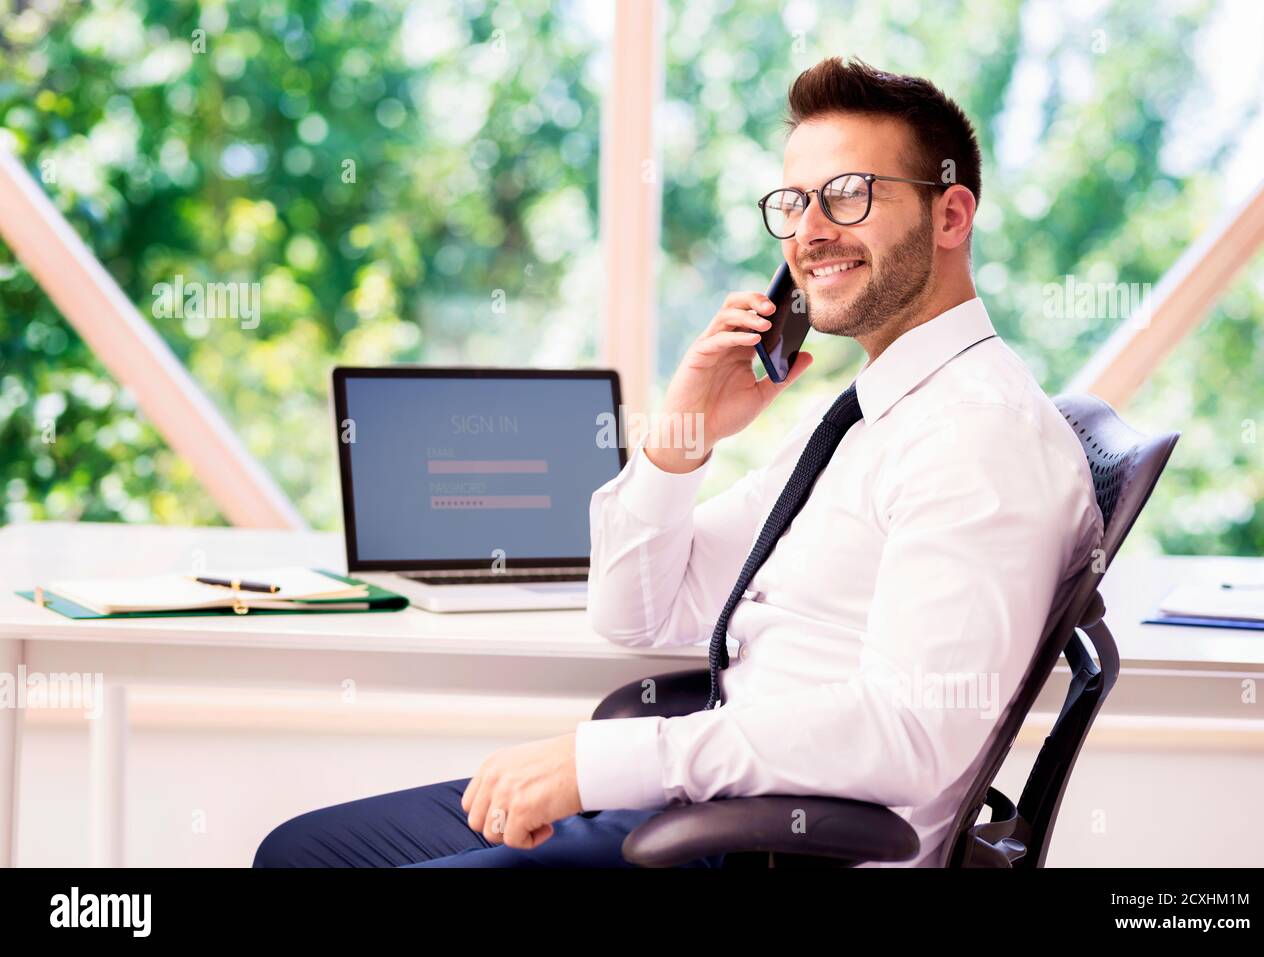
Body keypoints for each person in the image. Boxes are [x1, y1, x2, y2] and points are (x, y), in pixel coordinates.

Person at [253, 56, 1101, 869]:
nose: (809, 232)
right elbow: (633, 611)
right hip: (705, 802)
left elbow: (910, 730)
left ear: (950, 216)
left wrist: (602, 762)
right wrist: (681, 431)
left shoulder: (977, 436)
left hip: (776, 845)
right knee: (298, 852)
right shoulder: (871, 419)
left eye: (848, 195)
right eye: (795, 201)